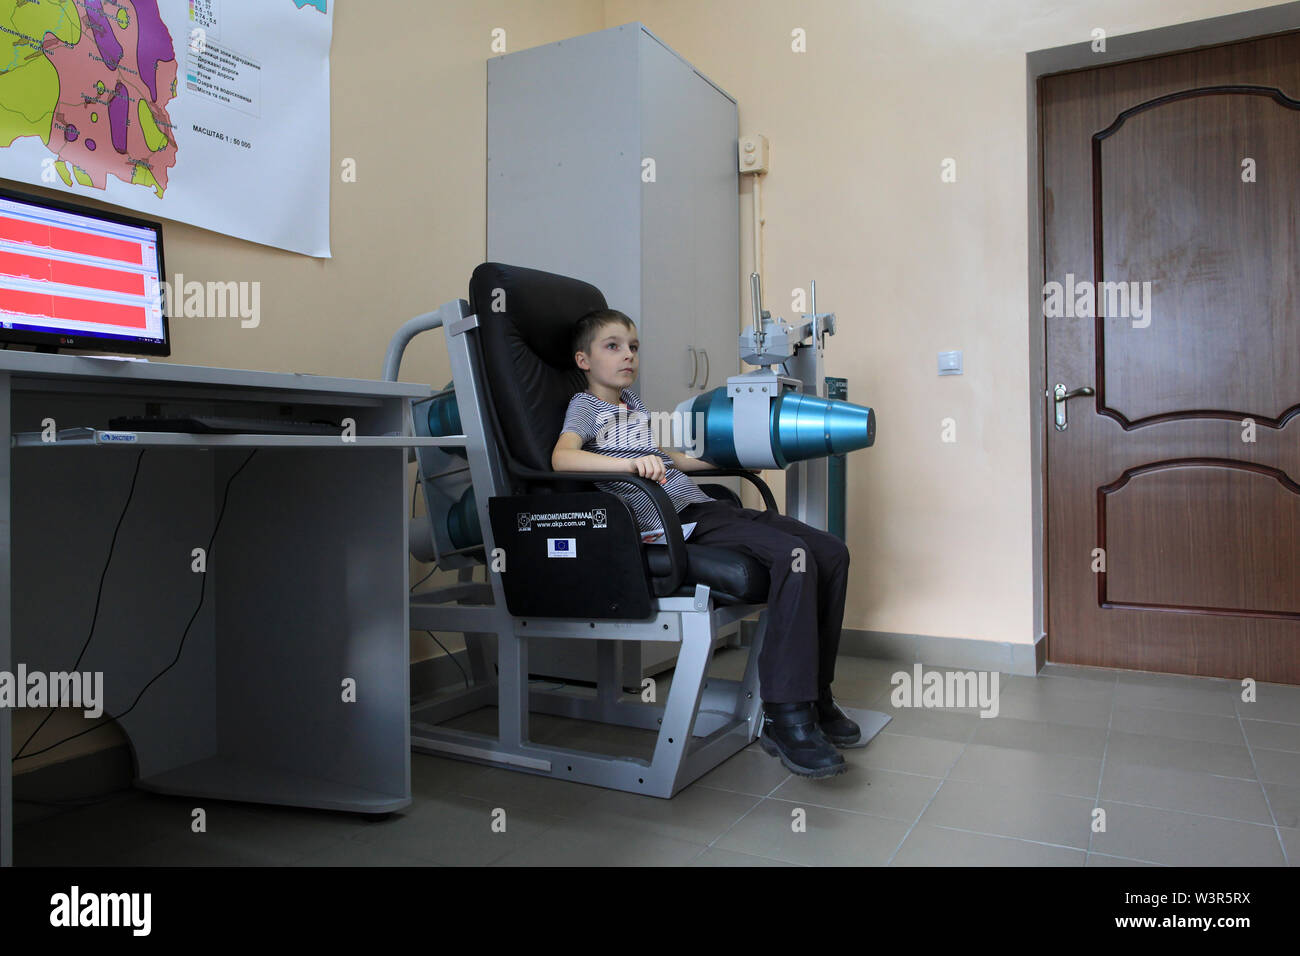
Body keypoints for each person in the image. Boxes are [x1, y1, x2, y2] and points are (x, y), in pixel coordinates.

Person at [551, 307, 858, 778]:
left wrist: (717, 459)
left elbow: (664, 456)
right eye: (612, 346)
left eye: (632, 346)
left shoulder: (632, 404)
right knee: (793, 557)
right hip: (674, 523)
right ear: (583, 360)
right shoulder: (584, 407)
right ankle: (787, 715)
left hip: (703, 508)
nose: (627, 355)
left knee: (831, 551)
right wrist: (627, 468)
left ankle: (817, 694)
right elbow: (562, 459)